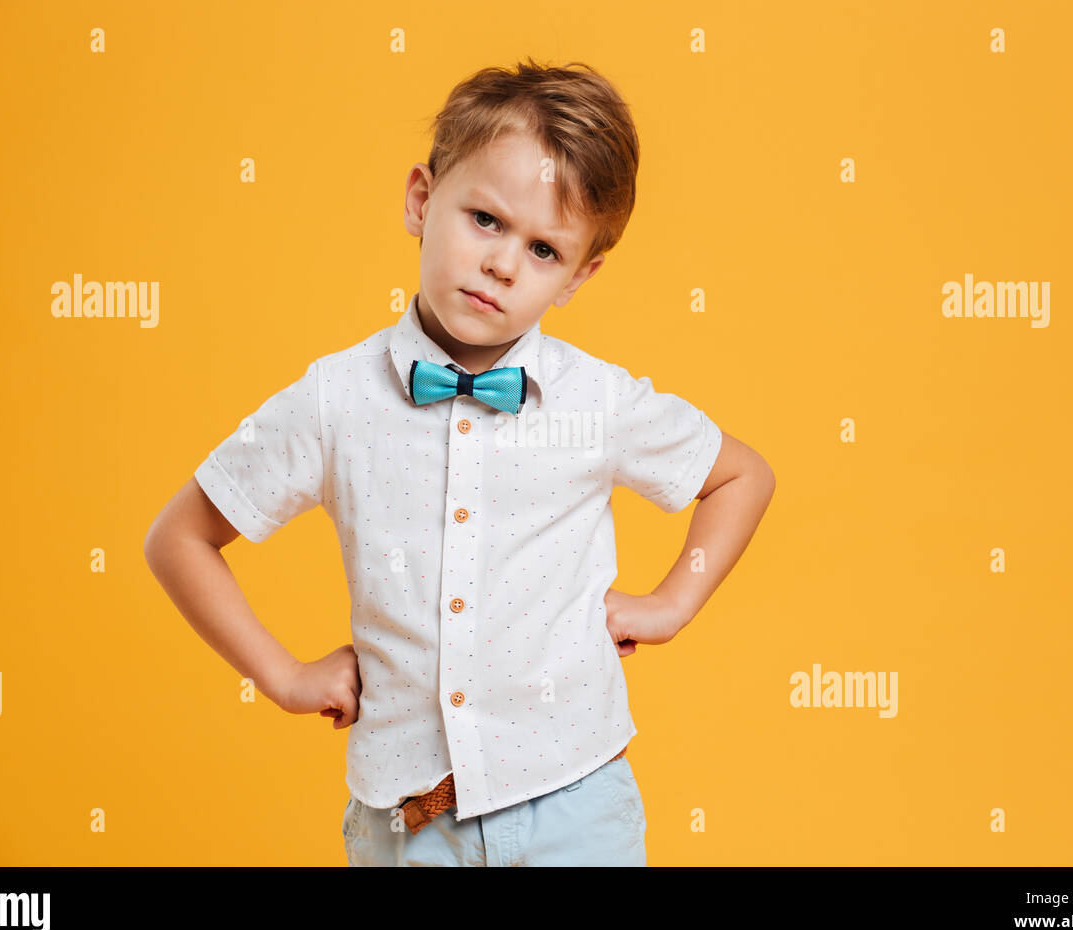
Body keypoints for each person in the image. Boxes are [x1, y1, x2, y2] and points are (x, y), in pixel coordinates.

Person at [144, 57, 776, 866]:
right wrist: (284, 677)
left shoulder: (596, 401)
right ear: (421, 199)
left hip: (576, 804)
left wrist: (670, 603)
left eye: (544, 249)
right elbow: (179, 538)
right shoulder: (334, 400)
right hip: (408, 826)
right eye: (485, 219)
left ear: (580, 275)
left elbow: (740, 475)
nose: (504, 263)